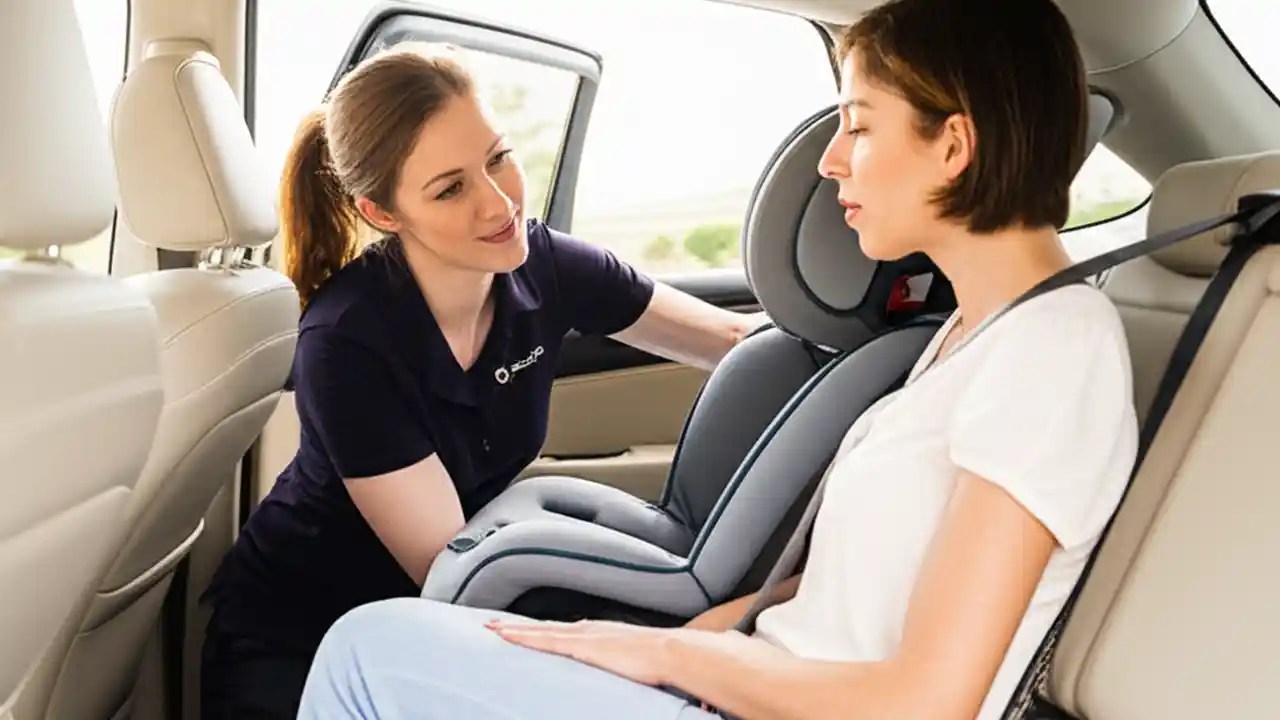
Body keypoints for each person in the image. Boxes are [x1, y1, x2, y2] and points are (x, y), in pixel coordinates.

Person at [294, 0, 1141, 718]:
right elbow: (828, 597)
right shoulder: (969, 342)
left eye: (858, 124)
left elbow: (924, 703)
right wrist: (659, 644)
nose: (829, 158)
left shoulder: (1051, 348)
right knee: (378, 640)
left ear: (953, 147)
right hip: (751, 685)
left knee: (368, 649)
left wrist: (671, 663)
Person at [199, 42, 767, 719]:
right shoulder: (346, 341)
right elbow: (453, 570)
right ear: (382, 213)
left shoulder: (545, 266)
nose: (498, 203)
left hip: (439, 618)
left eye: (498, 157)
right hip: (307, 637)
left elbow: (740, 345)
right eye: (450, 188)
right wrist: (680, 636)